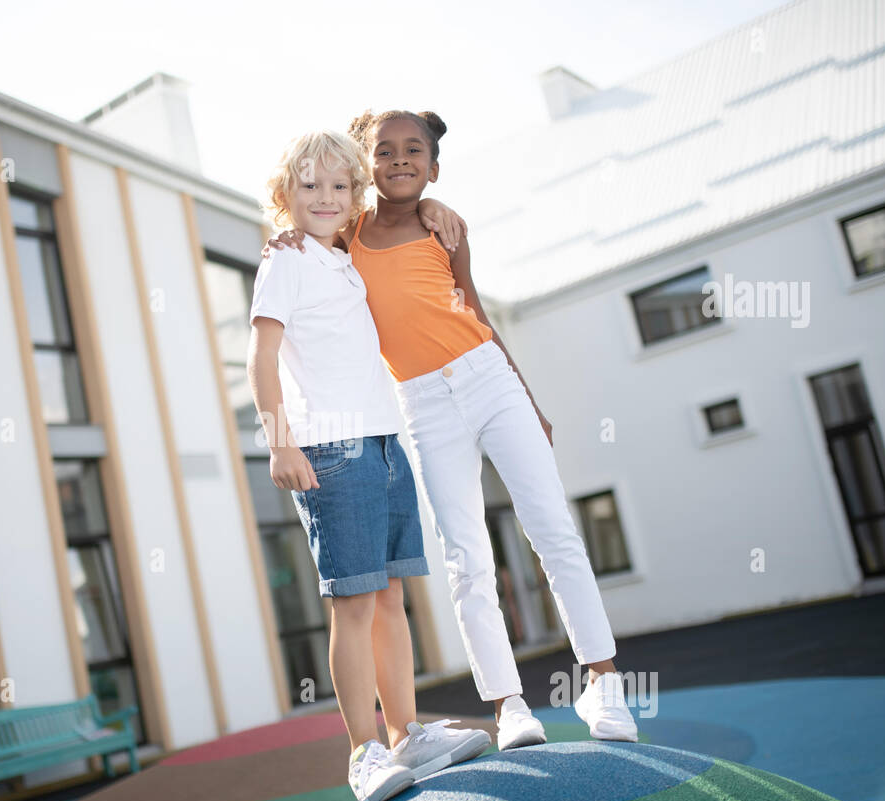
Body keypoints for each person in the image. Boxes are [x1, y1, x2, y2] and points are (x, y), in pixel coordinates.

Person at [266, 109, 640, 749]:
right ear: (367, 168)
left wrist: (528, 396)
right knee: (466, 557)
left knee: (552, 527)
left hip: (488, 377)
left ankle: (603, 683)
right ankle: (509, 707)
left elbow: (479, 314)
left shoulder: (446, 229)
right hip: (420, 403)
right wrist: (281, 237)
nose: (401, 160)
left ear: (433, 167)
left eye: (416, 152)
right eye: (386, 152)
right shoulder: (342, 236)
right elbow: (304, 222)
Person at [247, 129, 489, 801]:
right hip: (331, 450)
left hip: (385, 445)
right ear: (284, 196)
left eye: (339, 186)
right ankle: (363, 751)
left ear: (355, 195)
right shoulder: (286, 261)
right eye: (309, 186)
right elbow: (260, 359)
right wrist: (278, 442)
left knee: (391, 599)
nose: (325, 197)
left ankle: (407, 732)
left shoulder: (344, 256)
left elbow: (399, 207)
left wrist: (433, 204)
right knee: (351, 605)